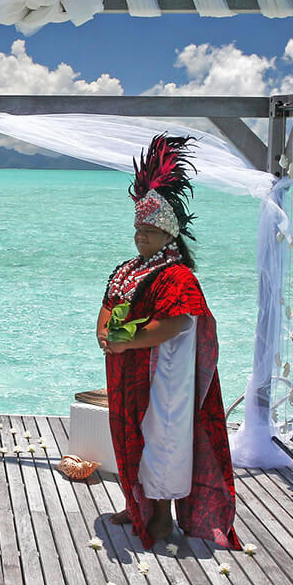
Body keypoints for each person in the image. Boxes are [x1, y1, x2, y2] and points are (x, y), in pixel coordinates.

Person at [96, 134, 242, 550]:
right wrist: (104, 333)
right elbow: (109, 305)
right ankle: (137, 504)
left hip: (164, 377)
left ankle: (160, 516)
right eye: (137, 229)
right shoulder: (128, 269)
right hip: (128, 368)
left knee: (161, 440)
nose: (140, 237)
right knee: (128, 434)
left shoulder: (179, 276)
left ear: (168, 234)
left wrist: (127, 342)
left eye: (149, 230)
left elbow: (175, 323)